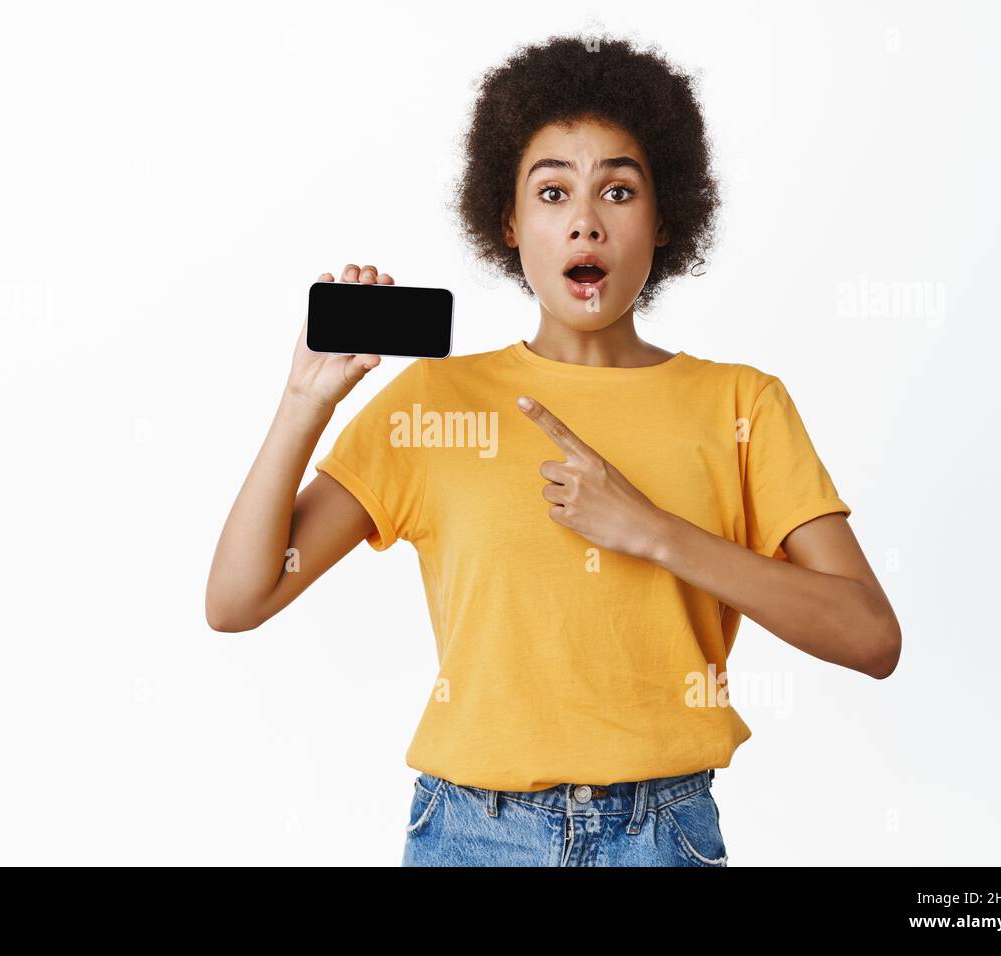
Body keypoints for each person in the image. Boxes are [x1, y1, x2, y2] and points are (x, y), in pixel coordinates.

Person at [204, 33, 901, 867]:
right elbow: (237, 601)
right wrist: (301, 405)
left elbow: (870, 638)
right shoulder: (434, 403)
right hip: (471, 834)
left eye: (617, 189)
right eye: (552, 192)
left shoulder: (742, 404)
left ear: (665, 214)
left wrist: (652, 532)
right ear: (508, 219)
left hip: (663, 834)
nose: (584, 220)